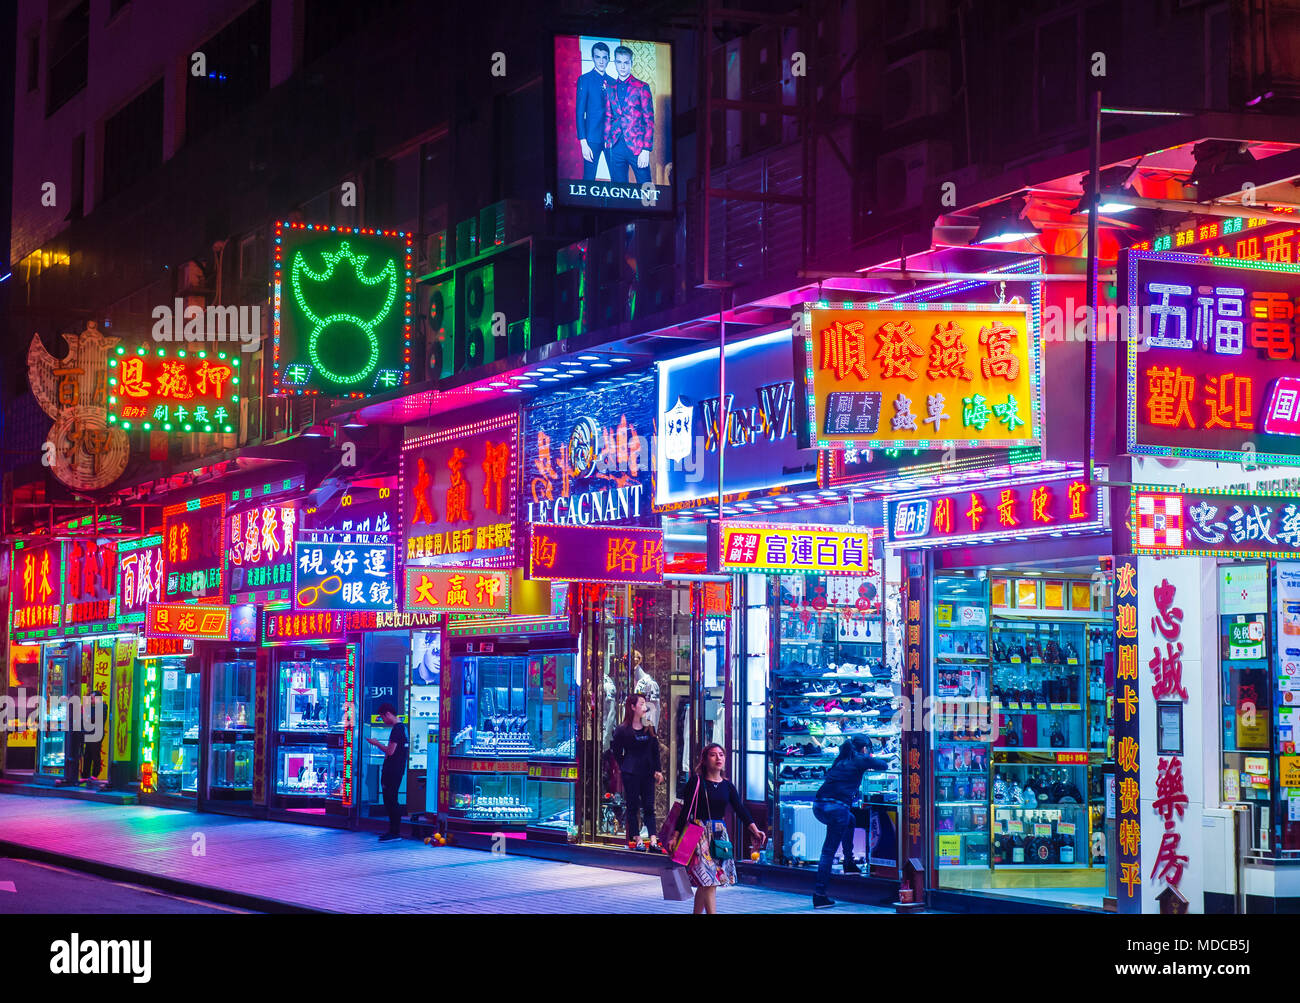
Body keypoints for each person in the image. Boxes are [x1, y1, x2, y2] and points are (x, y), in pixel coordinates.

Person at [670, 743, 766, 914]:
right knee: (709, 880)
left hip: (720, 836)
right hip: (698, 833)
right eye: (713, 755)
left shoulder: (727, 786)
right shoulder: (697, 782)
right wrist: (675, 835)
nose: (718, 758)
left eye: (721, 754)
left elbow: (740, 809)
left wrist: (754, 829)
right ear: (705, 760)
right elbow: (685, 811)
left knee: (705, 882)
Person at [811, 735, 891, 908]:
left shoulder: (841, 760)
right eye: (869, 749)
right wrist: (871, 758)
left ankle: (849, 862)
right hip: (836, 808)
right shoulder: (859, 759)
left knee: (851, 820)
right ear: (864, 749)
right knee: (828, 851)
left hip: (819, 805)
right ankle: (819, 895)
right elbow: (883, 765)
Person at [610, 694, 663, 850]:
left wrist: (658, 770)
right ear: (632, 707)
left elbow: (655, 750)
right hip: (631, 772)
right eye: (641, 703)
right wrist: (624, 765)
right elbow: (617, 752)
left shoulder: (649, 725)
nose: (644, 707)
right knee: (632, 806)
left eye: (645, 703)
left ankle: (653, 840)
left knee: (649, 806)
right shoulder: (622, 729)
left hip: (647, 772)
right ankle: (637, 839)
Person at [604, 45, 654, 185]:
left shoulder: (642, 87)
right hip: (616, 146)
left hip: (637, 146)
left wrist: (646, 149)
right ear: (615, 63)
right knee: (619, 190)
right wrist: (607, 141)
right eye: (619, 62)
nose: (622, 66)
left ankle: (648, 208)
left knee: (646, 189)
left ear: (631, 63)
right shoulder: (610, 88)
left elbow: (649, 120)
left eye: (626, 62)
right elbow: (608, 116)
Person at [365, 703, 408, 842]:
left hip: (392, 770)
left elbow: (390, 751)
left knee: (390, 800)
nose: (383, 720)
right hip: (397, 769)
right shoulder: (403, 728)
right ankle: (393, 831)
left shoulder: (397, 729)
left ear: (388, 714)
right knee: (391, 799)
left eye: (382, 717)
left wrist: (376, 743)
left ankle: (394, 832)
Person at [576, 42, 610, 181]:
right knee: (588, 179)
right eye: (598, 57)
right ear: (592, 58)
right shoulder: (585, 80)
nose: (601, 61)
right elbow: (579, 113)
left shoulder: (613, 82)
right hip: (591, 139)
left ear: (608, 59)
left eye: (604, 57)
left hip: (611, 139)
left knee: (619, 179)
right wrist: (583, 142)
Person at [80, 689, 106, 786]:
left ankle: (95, 774)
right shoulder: (91, 707)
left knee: (95, 754)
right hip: (89, 733)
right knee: (87, 755)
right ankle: (85, 775)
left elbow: (93, 718)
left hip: (97, 733)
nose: (91, 700)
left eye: (92, 698)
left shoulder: (103, 707)